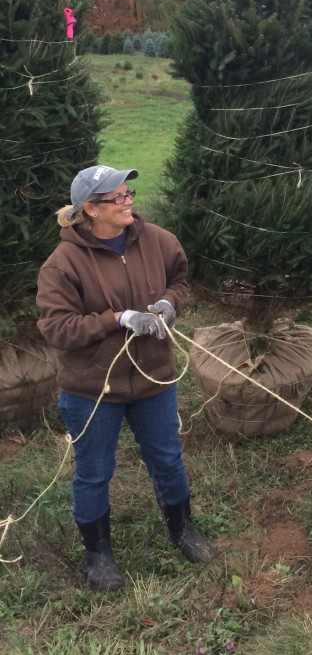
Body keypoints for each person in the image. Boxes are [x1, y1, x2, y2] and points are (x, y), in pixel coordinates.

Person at [36, 164, 216, 591]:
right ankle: (97, 554)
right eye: (117, 198)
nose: (128, 201)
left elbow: (180, 280)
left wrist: (170, 304)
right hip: (93, 389)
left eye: (128, 192)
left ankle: (183, 529)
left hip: (153, 378)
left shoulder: (157, 240)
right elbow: (57, 328)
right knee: (94, 471)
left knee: (168, 458)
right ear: (90, 210)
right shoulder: (62, 264)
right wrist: (117, 318)